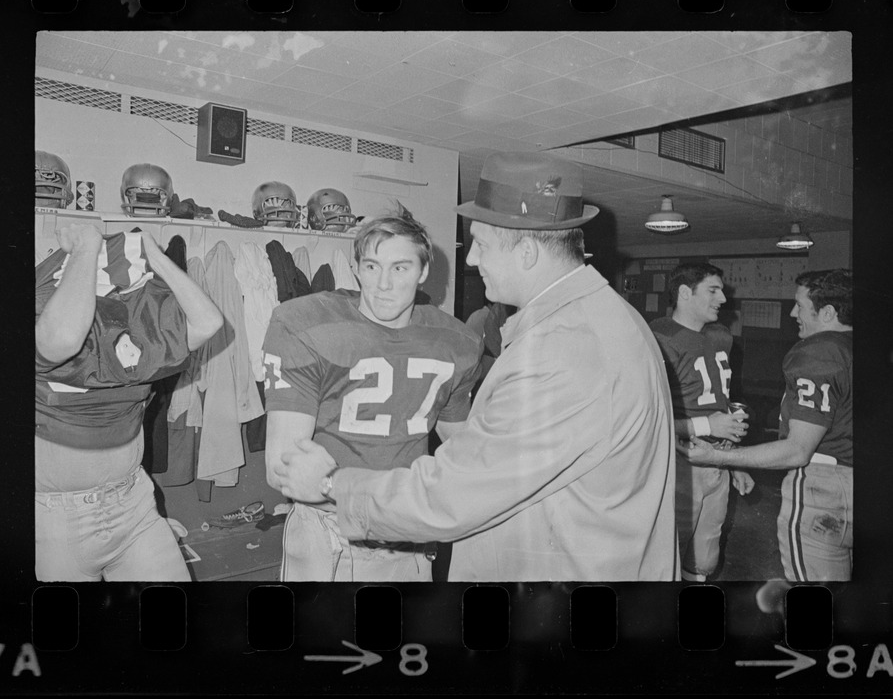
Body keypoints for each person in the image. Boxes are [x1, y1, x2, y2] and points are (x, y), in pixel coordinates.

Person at [270, 152, 679, 581]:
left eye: (480, 244)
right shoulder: (604, 317)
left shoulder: (562, 347)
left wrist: (334, 484)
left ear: (525, 252)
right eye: (371, 266)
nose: (469, 260)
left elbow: (454, 494)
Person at [262, 205, 483, 581]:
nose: (383, 284)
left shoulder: (458, 341)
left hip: (406, 533)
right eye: (371, 267)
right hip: (329, 527)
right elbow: (283, 469)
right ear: (356, 268)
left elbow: (465, 448)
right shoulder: (304, 323)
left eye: (400, 268)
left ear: (424, 271)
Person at [35, 224, 223, 581]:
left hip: (132, 506)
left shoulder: (136, 341)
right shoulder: (45, 325)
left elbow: (209, 321)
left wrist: (157, 257)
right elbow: (63, 337)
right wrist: (85, 248)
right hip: (55, 520)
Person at [679, 269, 853, 582]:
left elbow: (797, 450)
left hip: (824, 483)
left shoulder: (817, 351)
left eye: (799, 305)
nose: (792, 312)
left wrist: (724, 458)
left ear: (827, 313)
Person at [649, 263, 755, 582]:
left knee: (703, 561)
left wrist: (734, 459)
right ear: (684, 293)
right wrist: (709, 427)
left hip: (716, 461)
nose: (723, 298)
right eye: (713, 290)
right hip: (681, 463)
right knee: (665, 557)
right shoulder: (661, 338)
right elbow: (648, 418)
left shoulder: (714, 339)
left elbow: (719, 406)